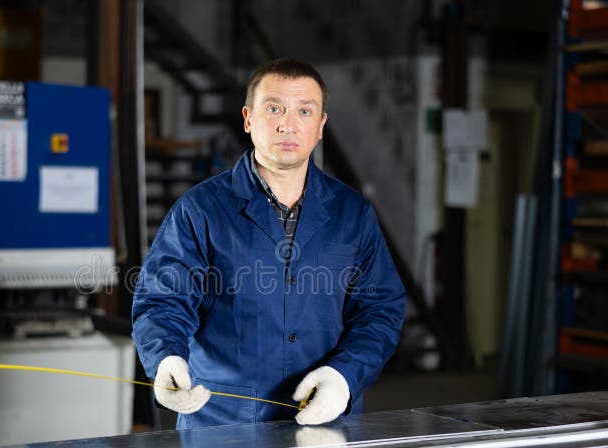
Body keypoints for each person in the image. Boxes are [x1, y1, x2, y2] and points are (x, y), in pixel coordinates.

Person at [132, 58, 406, 429]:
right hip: (220, 427)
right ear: (248, 119)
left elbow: (380, 309)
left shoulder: (351, 214)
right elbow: (162, 300)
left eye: (304, 111)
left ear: (321, 125)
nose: (287, 124)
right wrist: (166, 359)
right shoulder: (200, 209)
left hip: (323, 422)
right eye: (274, 108)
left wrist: (344, 377)